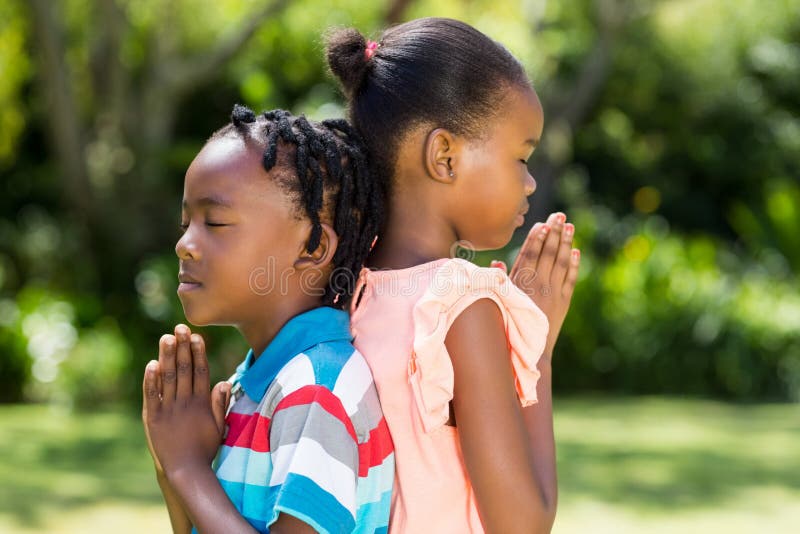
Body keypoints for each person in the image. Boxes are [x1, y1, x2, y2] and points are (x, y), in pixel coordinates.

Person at [325, 18, 581, 533]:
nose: (530, 183)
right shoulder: (459, 304)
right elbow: (523, 524)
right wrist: (537, 351)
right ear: (444, 156)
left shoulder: (345, 285)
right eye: (521, 157)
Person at [141, 105, 394, 533]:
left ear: (312, 248)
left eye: (215, 222)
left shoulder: (317, 393)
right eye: (187, 223)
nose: (185, 244)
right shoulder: (259, 383)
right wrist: (175, 466)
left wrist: (186, 468)